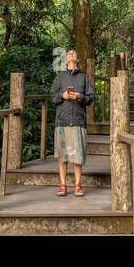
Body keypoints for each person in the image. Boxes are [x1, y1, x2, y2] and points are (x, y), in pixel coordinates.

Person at [50, 48, 93, 196]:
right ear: (65, 59)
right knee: (63, 156)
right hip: (62, 121)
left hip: (78, 120)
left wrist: (79, 96)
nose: (71, 54)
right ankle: (62, 185)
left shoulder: (84, 77)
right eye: (68, 53)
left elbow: (90, 98)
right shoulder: (59, 77)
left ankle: (77, 185)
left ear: (77, 58)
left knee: (77, 156)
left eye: (74, 53)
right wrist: (62, 95)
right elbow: (53, 98)